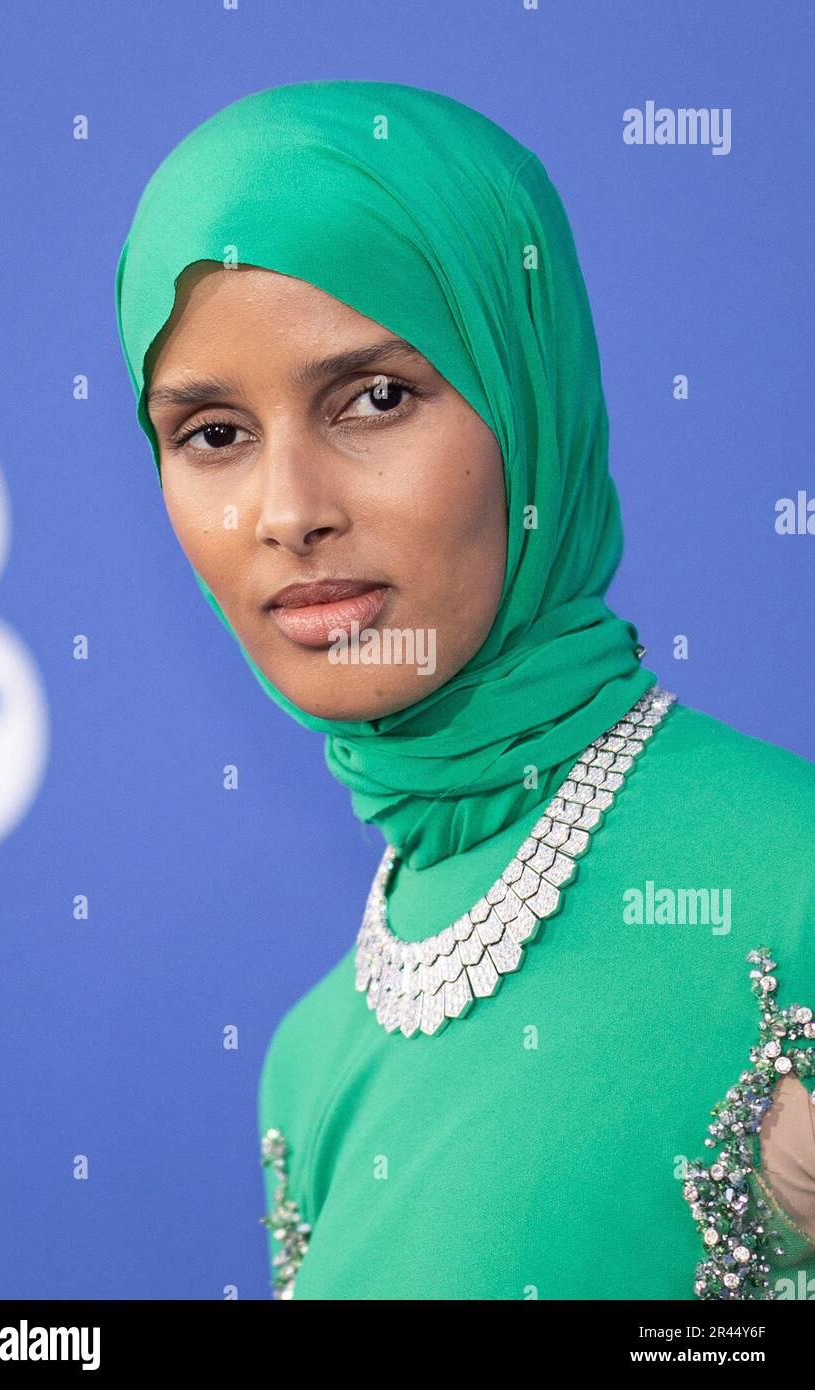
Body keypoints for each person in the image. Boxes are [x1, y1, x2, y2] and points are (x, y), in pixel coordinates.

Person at [114, 79, 815, 1301]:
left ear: (527, 395)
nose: (288, 513)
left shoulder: (789, 888)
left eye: (374, 398)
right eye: (213, 433)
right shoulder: (306, 1060)